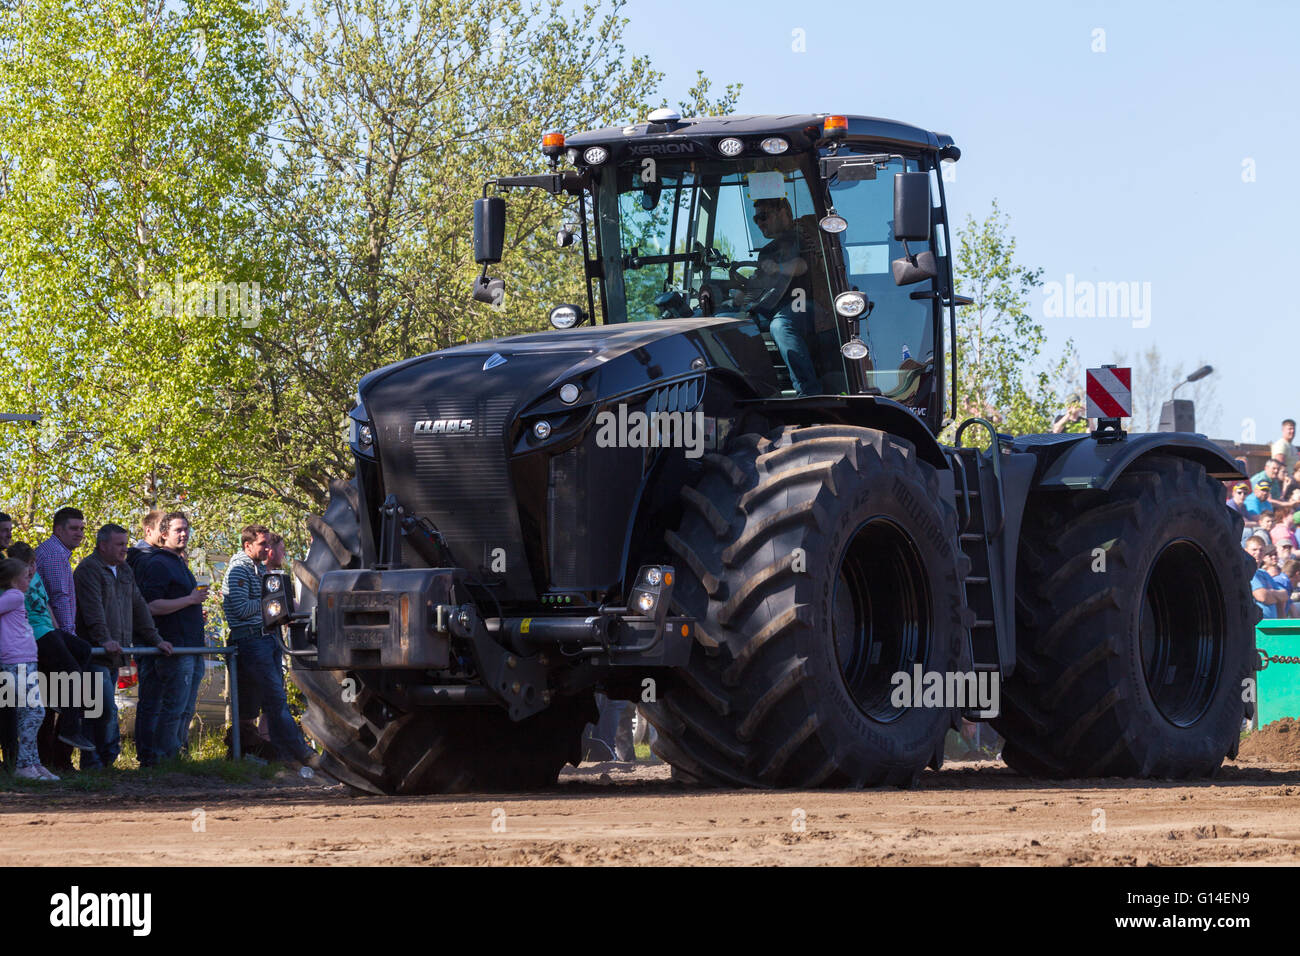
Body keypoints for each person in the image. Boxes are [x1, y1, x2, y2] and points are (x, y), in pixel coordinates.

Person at [74, 523, 174, 767]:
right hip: (95, 653)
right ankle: (99, 759)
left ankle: (101, 762)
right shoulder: (89, 569)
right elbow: (92, 609)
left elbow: (139, 606)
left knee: (99, 709)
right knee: (103, 709)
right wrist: (103, 639)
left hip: (115, 653)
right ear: (103, 545)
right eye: (119, 545)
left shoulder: (125, 570)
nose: (125, 550)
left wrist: (156, 639)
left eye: (126, 544)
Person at [221, 524, 315, 765]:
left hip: (266, 638)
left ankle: (283, 755)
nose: (267, 549)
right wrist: (273, 605)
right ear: (247, 545)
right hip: (253, 639)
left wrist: (273, 608)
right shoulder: (239, 571)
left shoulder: (256, 570)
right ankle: (301, 754)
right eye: (262, 544)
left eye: (268, 545)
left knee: (271, 700)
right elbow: (241, 610)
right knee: (274, 699)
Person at [6, 542, 95, 752]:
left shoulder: (35, 578)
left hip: (49, 628)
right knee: (72, 671)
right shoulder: (14, 584)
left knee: (83, 650)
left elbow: (45, 604)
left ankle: (59, 698)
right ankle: (69, 728)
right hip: (36, 633)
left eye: (34, 563)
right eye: (29, 565)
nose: (33, 568)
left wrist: (59, 632)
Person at [729, 196, 820, 396]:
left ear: (783, 212)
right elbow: (759, 285)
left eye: (763, 216)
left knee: (780, 326)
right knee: (724, 322)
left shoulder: (800, 238)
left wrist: (778, 268)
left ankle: (808, 392)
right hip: (771, 308)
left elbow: (801, 265)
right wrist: (741, 296)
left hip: (802, 305)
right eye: (756, 220)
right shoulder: (768, 250)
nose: (759, 223)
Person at [136, 512, 205, 766]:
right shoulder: (157, 563)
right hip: (173, 647)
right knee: (172, 707)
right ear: (163, 534)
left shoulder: (178, 562)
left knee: (186, 708)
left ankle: (175, 757)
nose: (184, 533)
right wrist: (189, 601)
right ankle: (164, 759)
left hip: (192, 646)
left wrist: (193, 610)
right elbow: (150, 606)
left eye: (186, 529)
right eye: (178, 529)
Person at [0, 558, 59, 780]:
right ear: (14, 580)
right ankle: (25, 765)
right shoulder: (14, 596)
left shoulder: (15, 597)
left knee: (30, 712)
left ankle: (33, 763)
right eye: (27, 576)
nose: (30, 580)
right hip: (16, 660)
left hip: (24, 659)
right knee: (34, 712)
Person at [1246, 537, 1286, 619]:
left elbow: (1285, 595)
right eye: (1254, 550)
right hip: (1257, 626)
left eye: (1261, 550)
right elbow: (1262, 596)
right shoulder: (1248, 572)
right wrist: (1276, 596)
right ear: (1246, 551)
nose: (1258, 553)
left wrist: (1270, 593)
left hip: (1271, 625)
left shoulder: (1264, 573)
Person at [126, 510, 164, 575]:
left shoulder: (160, 555)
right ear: (148, 531)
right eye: (162, 529)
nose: (166, 534)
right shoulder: (142, 558)